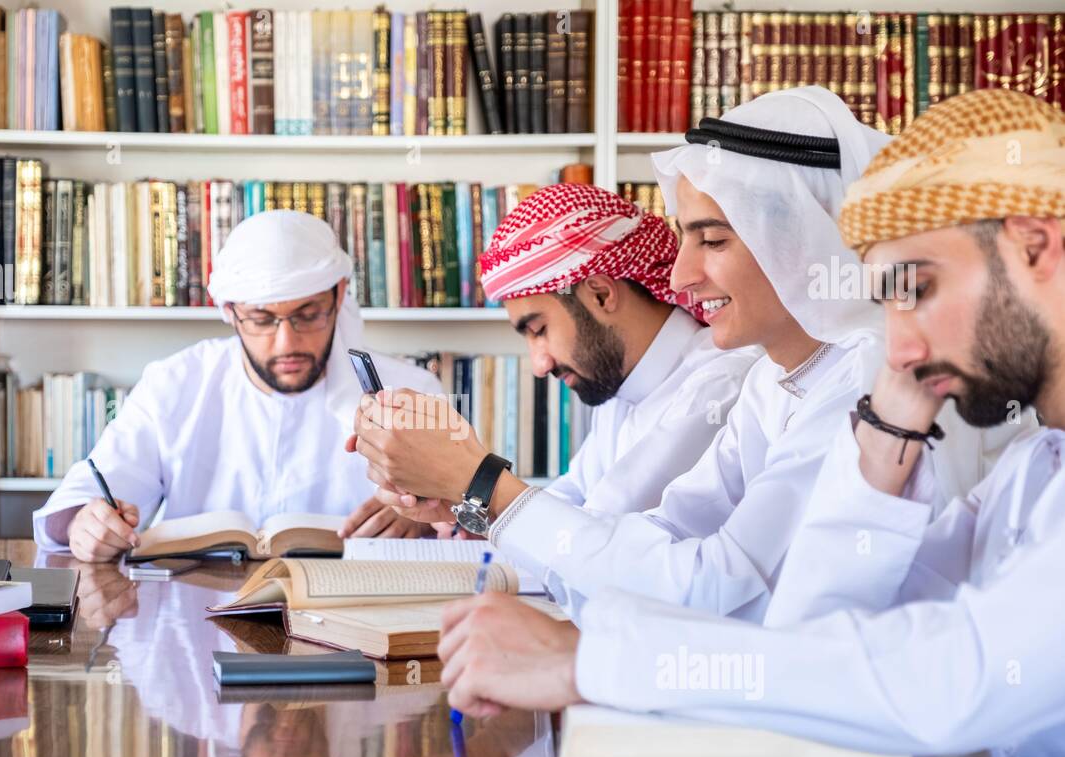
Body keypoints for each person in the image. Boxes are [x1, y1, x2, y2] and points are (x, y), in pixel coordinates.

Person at [436, 89, 1065, 757]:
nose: (901, 349)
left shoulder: (874, 382)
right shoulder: (1032, 470)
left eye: (917, 289)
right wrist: (885, 441)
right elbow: (815, 630)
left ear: (1034, 245)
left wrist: (585, 664)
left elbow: (943, 684)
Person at [358, 87, 903, 622]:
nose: (682, 276)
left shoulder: (869, 385)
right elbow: (639, 543)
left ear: (801, 238)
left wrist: (476, 484)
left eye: (712, 241)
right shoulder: (770, 382)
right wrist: (467, 498)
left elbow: (715, 585)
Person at [345, 184, 759, 599]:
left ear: (600, 292)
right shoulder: (624, 387)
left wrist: (472, 476)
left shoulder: (717, 387)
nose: (540, 365)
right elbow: (568, 505)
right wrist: (458, 507)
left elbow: (589, 553)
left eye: (539, 330)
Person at [33, 209, 442, 561]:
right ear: (229, 312)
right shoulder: (175, 383)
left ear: (338, 295)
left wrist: (428, 517)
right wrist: (84, 524)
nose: (288, 342)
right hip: (199, 621)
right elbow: (82, 499)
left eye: (309, 313)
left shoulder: (412, 388)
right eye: (262, 319)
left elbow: (472, 518)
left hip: (355, 624)